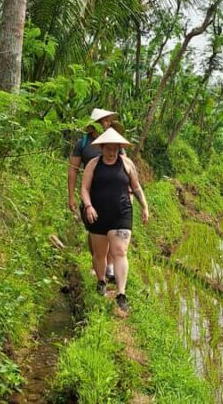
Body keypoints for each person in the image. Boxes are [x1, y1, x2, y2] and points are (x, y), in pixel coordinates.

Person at [81, 127, 149, 312]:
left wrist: (144, 206)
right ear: (102, 148)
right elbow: (85, 188)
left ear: (119, 148)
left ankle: (121, 293)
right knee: (99, 254)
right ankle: (101, 281)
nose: (112, 152)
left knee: (120, 251)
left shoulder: (126, 164)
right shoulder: (93, 164)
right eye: (109, 149)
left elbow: (136, 187)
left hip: (122, 213)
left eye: (115, 149)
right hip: (98, 214)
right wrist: (88, 206)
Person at [68, 108, 119, 281]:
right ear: (95, 123)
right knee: (94, 232)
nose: (107, 123)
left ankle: (110, 266)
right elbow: (73, 170)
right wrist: (71, 196)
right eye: (104, 120)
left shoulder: (114, 141)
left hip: (112, 195)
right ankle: (98, 262)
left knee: (111, 230)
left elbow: (126, 166)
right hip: (90, 196)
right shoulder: (82, 143)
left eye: (109, 121)